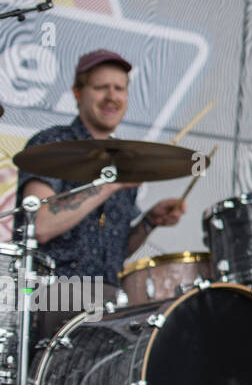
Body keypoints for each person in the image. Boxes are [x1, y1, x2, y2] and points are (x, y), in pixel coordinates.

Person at [16, 49, 187, 297]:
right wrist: (109, 184)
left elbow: (113, 251)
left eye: (119, 89)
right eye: (101, 88)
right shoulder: (53, 145)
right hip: (49, 296)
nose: (112, 97)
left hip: (105, 300)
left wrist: (149, 222)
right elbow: (39, 225)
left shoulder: (123, 158)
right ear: (77, 93)